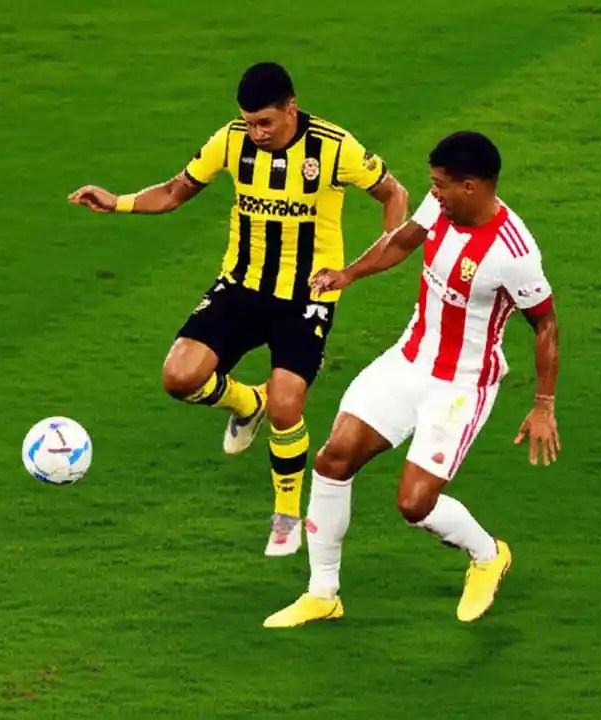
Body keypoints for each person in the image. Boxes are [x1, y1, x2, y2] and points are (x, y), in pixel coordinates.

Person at [68, 62, 408, 556]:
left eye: (265, 122)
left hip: (306, 295)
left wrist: (377, 253)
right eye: (249, 122)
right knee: (178, 377)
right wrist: (116, 201)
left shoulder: (333, 147)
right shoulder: (231, 141)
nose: (256, 133)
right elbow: (176, 191)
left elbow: (393, 192)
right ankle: (248, 404)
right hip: (241, 285)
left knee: (288, 404)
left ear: (291, 109)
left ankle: (286, 515)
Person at [263, 131, 560, 626]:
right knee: (333, 460)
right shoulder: (442, 206)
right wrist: (348, 274)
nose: (433, 192)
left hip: (460, 385)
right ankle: (322, 593)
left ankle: (488, 555)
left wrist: (543, 405)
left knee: (414, 504)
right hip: (408, 360)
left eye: (441, 184)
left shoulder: (514, 254)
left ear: (471, 186)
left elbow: (545, 323)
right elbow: (402, 240)